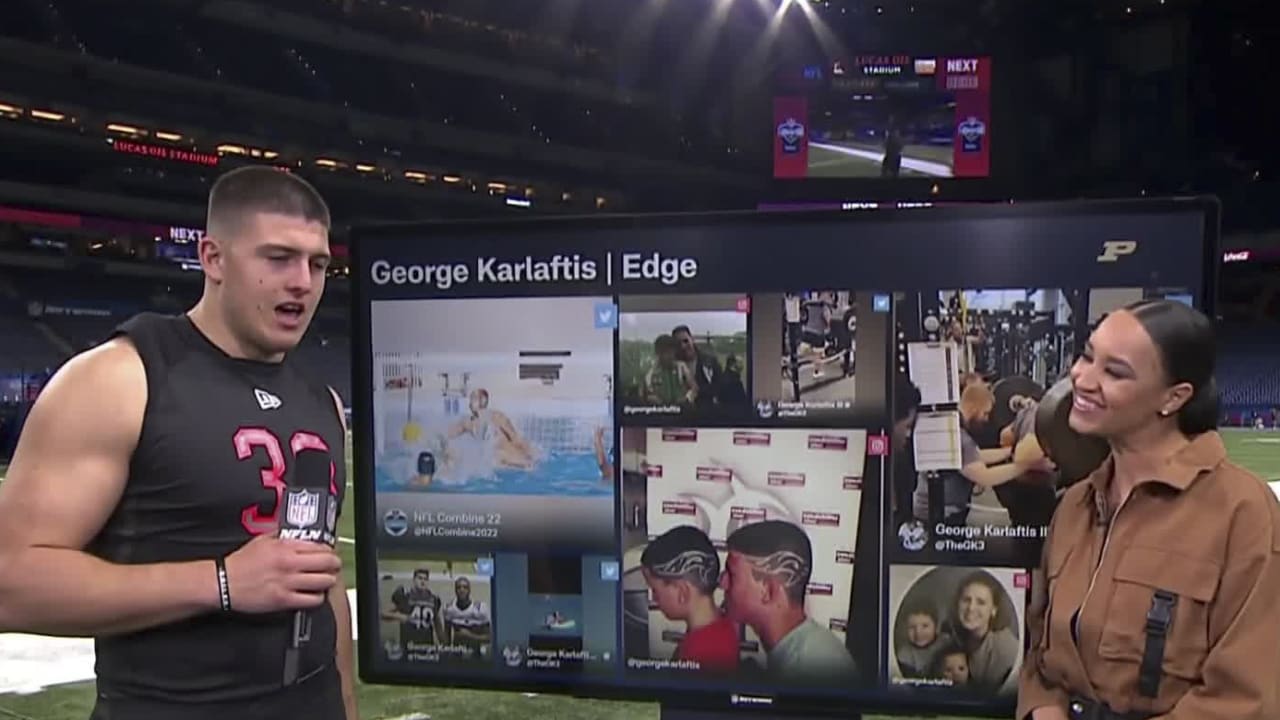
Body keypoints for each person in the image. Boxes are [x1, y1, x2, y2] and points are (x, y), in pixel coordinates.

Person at [0, 166, 356, 719]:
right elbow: (10, 581)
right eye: (278, 258)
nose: (303, 283)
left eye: (318, 264)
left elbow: (321, 583)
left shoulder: (323, 401)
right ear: (213, 258)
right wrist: (219, 582)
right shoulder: (121, 378)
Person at [1019, 299, 1280, 720]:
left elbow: (1244, 698)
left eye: (1115, 372)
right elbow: (1040, 649)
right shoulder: (1074, 504)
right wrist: (1042, 707)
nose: (1082, 379)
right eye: (1088, 355)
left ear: (1173, 398)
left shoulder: (1244, 514)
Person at [720, 520, 857, 683]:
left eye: (732, 575)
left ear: (768, 591)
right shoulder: (807, 652)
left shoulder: (806, 673)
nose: (722, 583)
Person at [640, 525, 740, 672]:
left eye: (655, 590)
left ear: (682, 592)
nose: (654, 598)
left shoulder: (707, 657)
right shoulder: (718, 628)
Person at [447, 388, 536, 470]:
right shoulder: (469, 422)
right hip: (496, 460)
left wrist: (527, 453)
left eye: (473, 399)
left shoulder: (496, 417)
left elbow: (515, 438)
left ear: (480, 402)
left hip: (507, 456)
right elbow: (449, 434)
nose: (469, 403)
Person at [382, 569, 444, 656]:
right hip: (408, 645)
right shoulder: (404, 596)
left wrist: (444, 644)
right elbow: (383, 614)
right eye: (420, 578)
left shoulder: (434, 599)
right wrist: (399, 616)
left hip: (427, 646)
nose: (422, 581)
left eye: (425, 579)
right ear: (414, 580)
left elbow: (437, 624)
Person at [442, 576, 491, 658]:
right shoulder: (449, 609)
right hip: (457, 654)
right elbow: (447, 635)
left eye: (465, 587)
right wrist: (446, 651)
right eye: (459, 587)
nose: (462, 590)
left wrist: (470, 636)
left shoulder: (480, 609)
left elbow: (489, 637)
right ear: (455, 590)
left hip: (476, 654)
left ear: (469, 590)